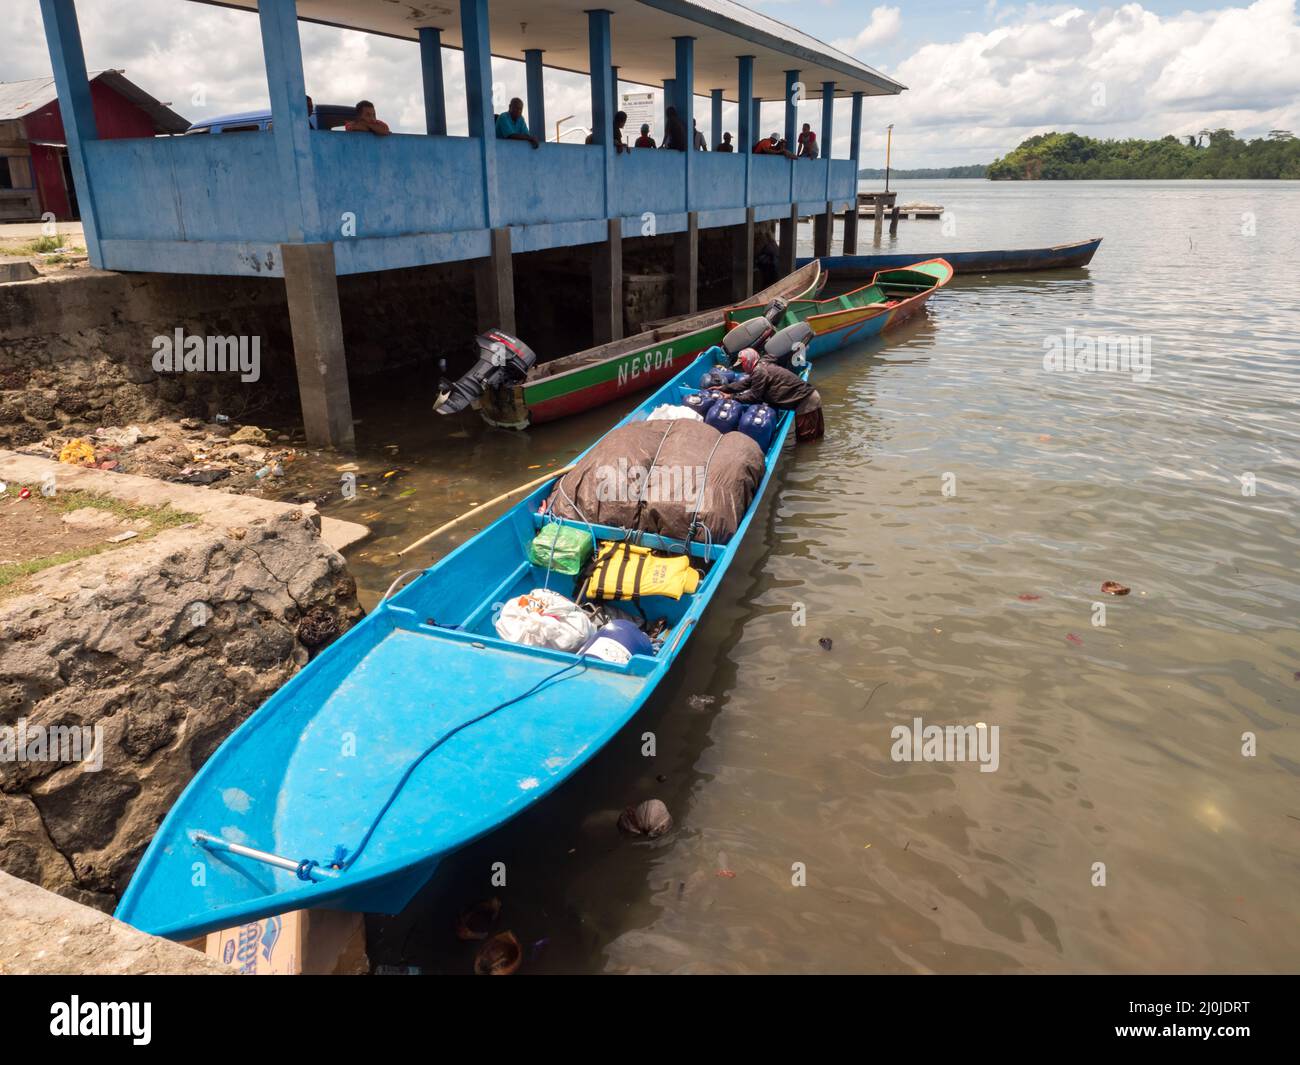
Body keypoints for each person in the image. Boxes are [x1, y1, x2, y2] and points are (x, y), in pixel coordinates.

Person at [718, 348, 824, 441]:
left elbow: (754, 396)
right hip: (810, 397)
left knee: (807, 441)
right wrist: (724, 388)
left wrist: (732, 397)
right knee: (817, 437)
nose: (743, 368)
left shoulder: (760, 371)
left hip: (806, 403)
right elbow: (745, 384)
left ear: (749, 361)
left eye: (743, 364)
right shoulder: (761, 366)